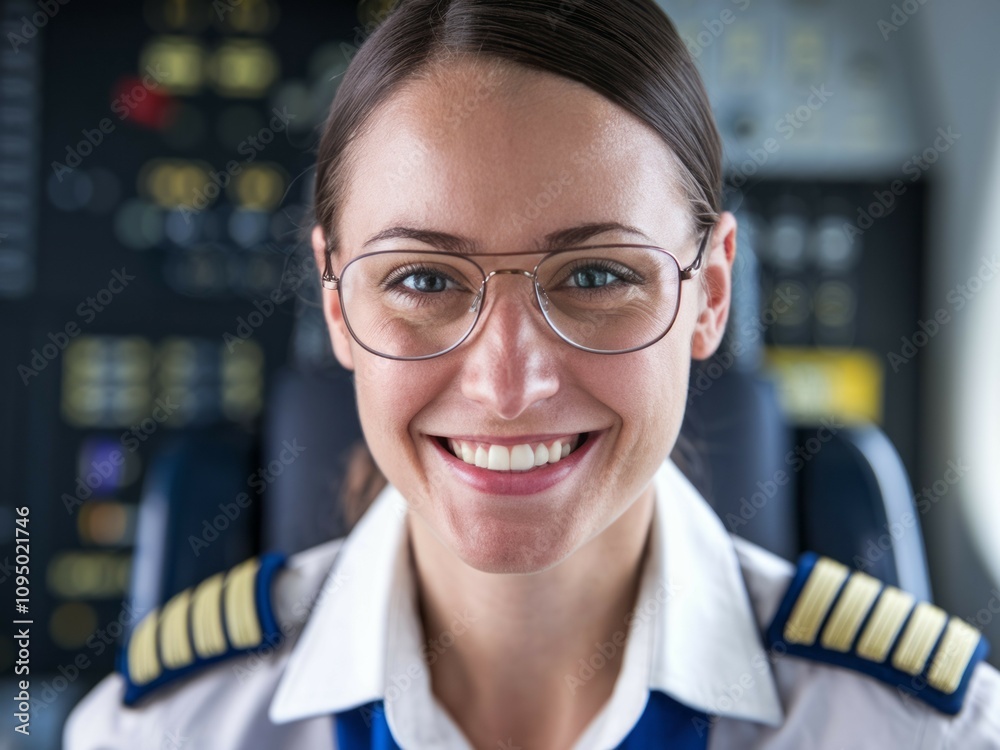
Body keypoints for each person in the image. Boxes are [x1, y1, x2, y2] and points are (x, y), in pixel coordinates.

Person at [64, 0, 1000, 747]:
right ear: (338, 306)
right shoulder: (161, 731)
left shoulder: (927, 731)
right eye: (423, 279)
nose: (508, 386)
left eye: (595, 276)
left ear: (710, 293)